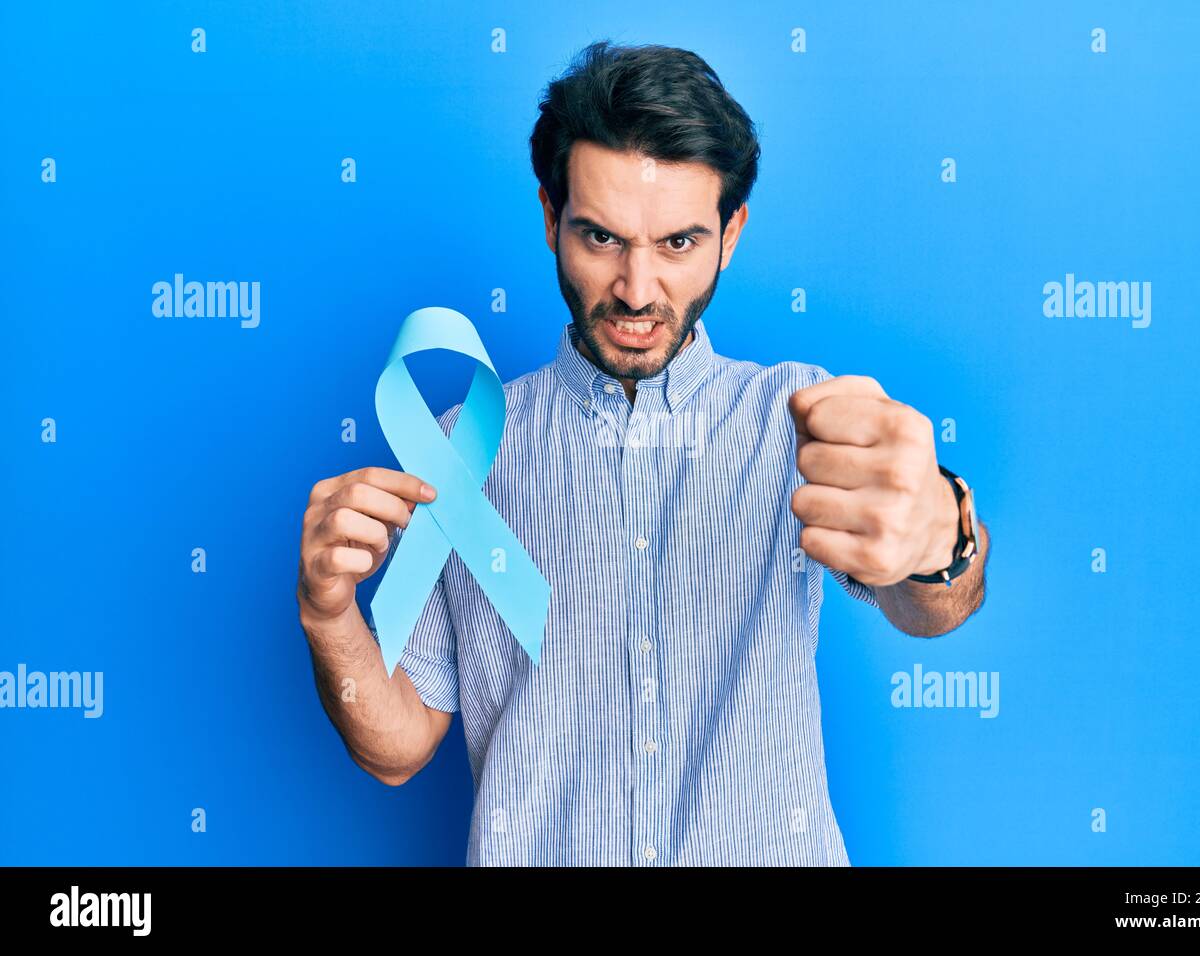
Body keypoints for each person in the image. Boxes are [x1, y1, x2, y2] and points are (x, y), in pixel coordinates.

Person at [297, 40, 990, 866]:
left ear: (730, 233)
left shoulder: (801, 418)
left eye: (677, 244)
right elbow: (396, 748)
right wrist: (326, 612)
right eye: (600, 238)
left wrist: (937, 541)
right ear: (552, 218)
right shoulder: (458, 452)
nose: (635, 288)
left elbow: (933, 610)